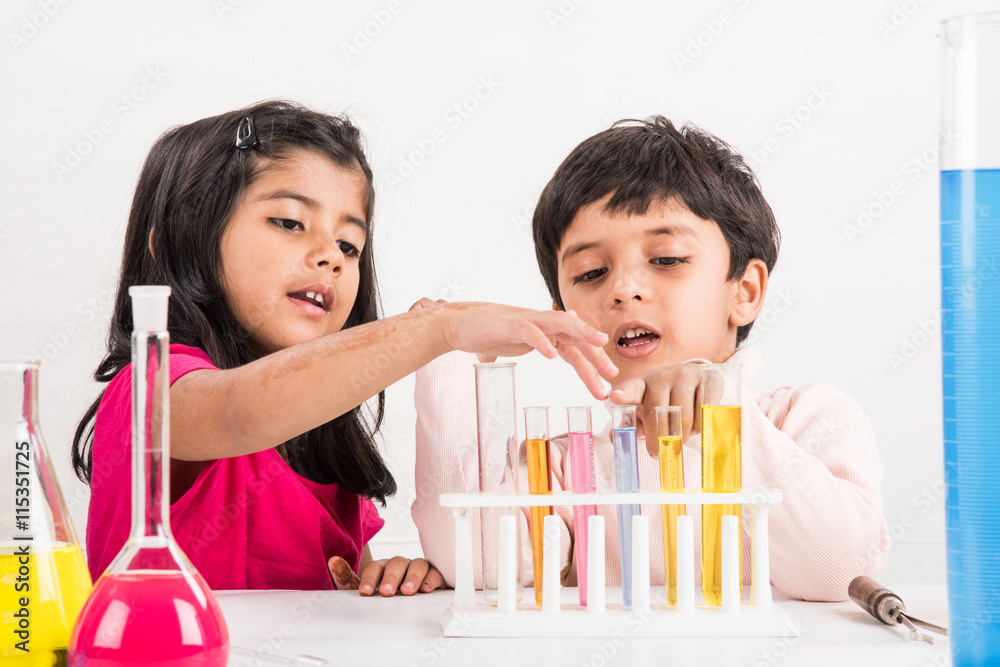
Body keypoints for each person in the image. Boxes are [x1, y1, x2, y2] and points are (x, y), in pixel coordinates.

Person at [73, 100, 616, 594]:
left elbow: (337, 602)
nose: (331, 256)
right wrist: (437, 329)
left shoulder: (321, 449)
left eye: (349, 244)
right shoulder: (150, 389)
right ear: (175, 235)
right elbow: (242, 411)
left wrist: (387, 576)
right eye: (289, 221)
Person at [411, 116, 890, 602]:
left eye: (666, 260)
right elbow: (478, 563)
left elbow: (841, 572)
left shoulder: (806, 419)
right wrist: (445, 345)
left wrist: (719, 406)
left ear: (743, 291)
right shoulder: (565, 468)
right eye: (591, 272)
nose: (624, 290)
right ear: (563, 323)